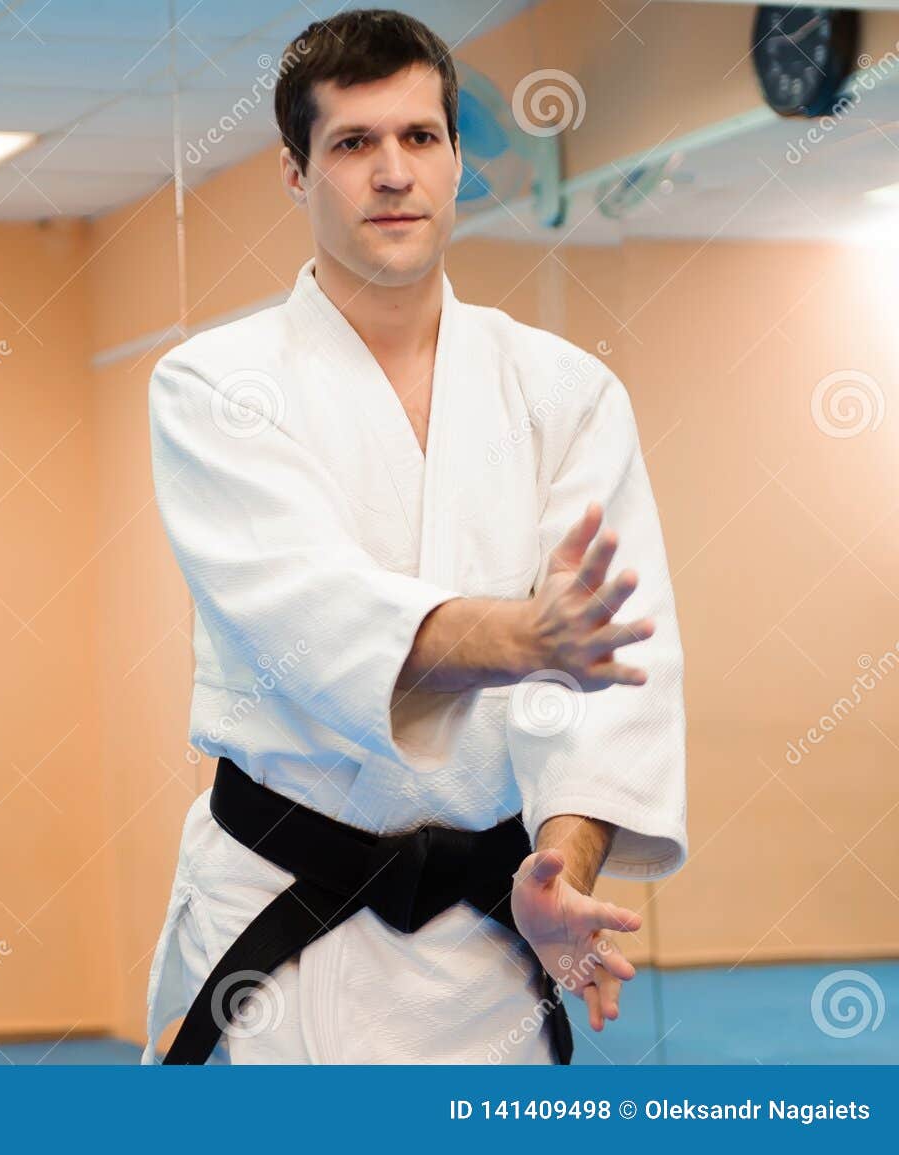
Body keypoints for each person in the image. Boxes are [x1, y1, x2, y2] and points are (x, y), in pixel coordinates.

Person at [142, 8, 687, 1064]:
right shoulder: (214, 386)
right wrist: (522, 640)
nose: (392, 172)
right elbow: (305, 616)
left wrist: (561, 870)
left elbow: (626, 677)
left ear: (452, 159)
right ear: (297, 175)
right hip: (284, 915)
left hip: (488, 931)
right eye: (352, 144)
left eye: (419, 138)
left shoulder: (566, 392)